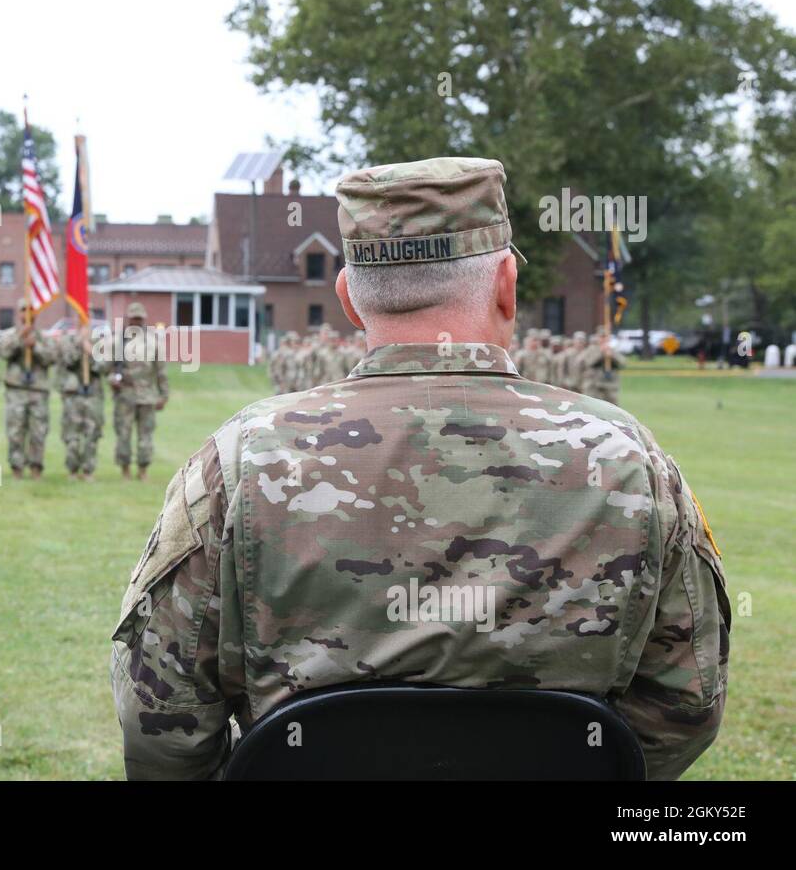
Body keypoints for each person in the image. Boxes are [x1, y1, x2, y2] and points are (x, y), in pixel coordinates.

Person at [110, 157, 728, 781]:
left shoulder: (239, 461)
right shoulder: (629, 458)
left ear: (348, 297)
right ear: (506, 284)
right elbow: (686, 702)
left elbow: (159, 719)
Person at [0, 301, 57, 478]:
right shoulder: (11, 335)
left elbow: (51, 358)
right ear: (19, 313)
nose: (28, 314)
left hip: (38, 390)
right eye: (24, 310)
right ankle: (17, 468)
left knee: (38, 431)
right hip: (17, 390)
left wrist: (35, 346)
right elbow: (3, 353)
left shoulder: (43, 337)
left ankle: (36, 468)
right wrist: (19, 339)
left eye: (31, 310)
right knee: (15, 431)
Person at [111, 302, 168, 480]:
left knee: (146, 436)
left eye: (139, 318)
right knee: (123, 434)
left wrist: (163, 395)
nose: (136, 321)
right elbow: (107, 368)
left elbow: (161, 371)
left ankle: (143, 469)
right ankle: (125, 469)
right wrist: (112, 380)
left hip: (147, 396)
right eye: (133, 318)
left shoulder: (153, 342)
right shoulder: (117, 341)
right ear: (128, 318)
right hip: (125, 396)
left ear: (144, 319)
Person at [58, 322, 111, 480]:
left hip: (93, 395)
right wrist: (79, 345)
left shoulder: (100, 343)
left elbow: (105, 367)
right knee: (72, 434)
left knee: (92, 433)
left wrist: (91, 352)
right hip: (73, 395)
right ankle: (72, 470)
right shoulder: (68, 341)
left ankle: (88, 470)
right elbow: (67, 362)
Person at [579, 328, 626, 405]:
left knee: (612, 409)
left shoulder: (612, 350)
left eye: (605, 337)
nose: (603, 339)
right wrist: (601, 353)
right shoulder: (591, 349)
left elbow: (623, 363)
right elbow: (589, 363)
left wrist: (612, 356)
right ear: (597, 338)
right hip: (594, 387)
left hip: (610, 386)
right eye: (601, 337)